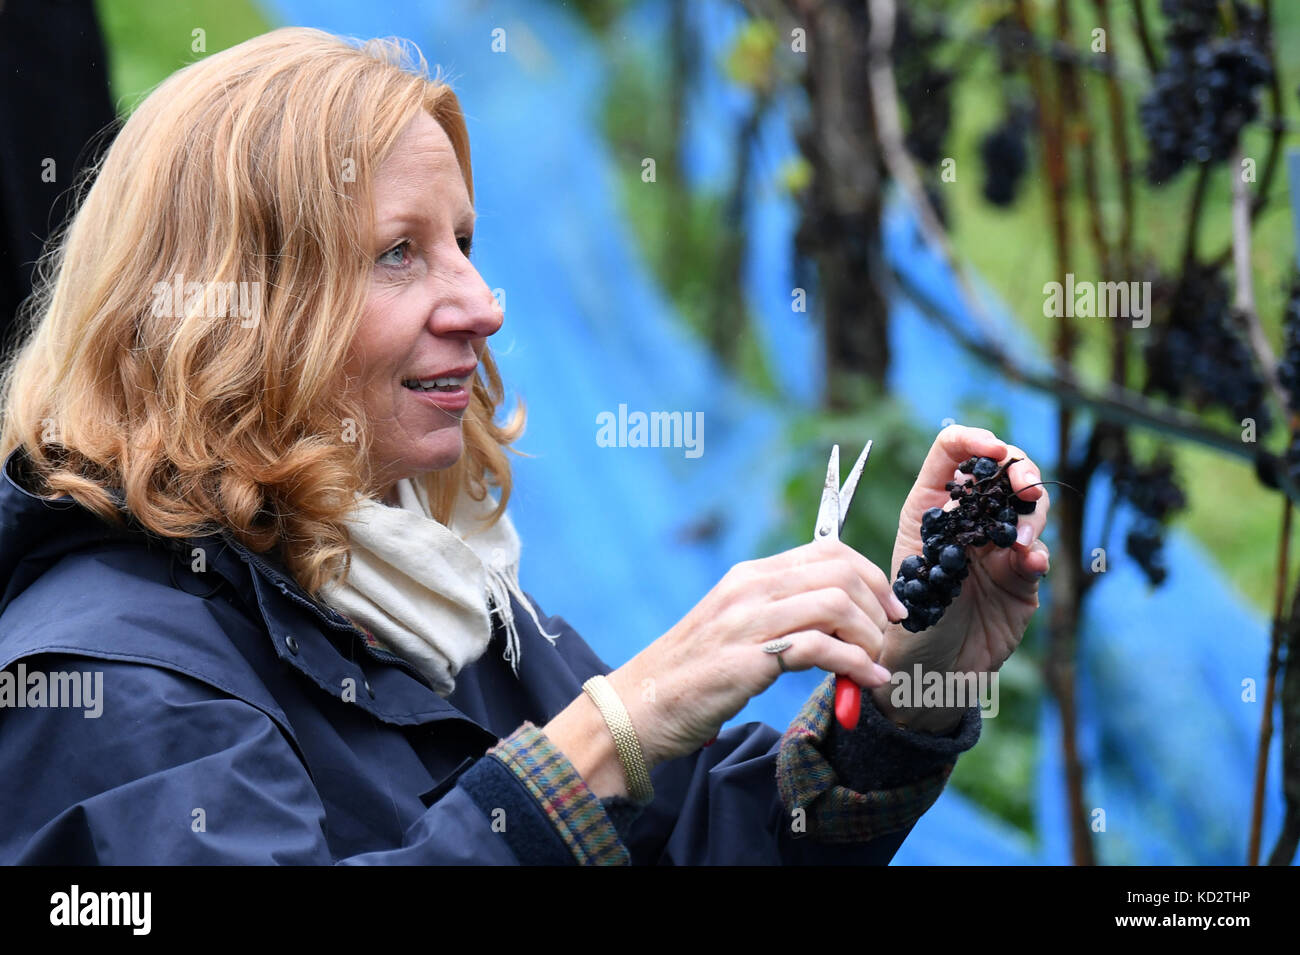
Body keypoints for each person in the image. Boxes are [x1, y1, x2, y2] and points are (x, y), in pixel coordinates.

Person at [0, 27, 1051, 865]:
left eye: (465, 242)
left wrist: (911, 682)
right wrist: (608, 730)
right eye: (398, 252)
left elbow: (694, 842)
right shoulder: (118, 683)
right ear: (234, 311)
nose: (481, 303)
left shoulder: (424, 589)